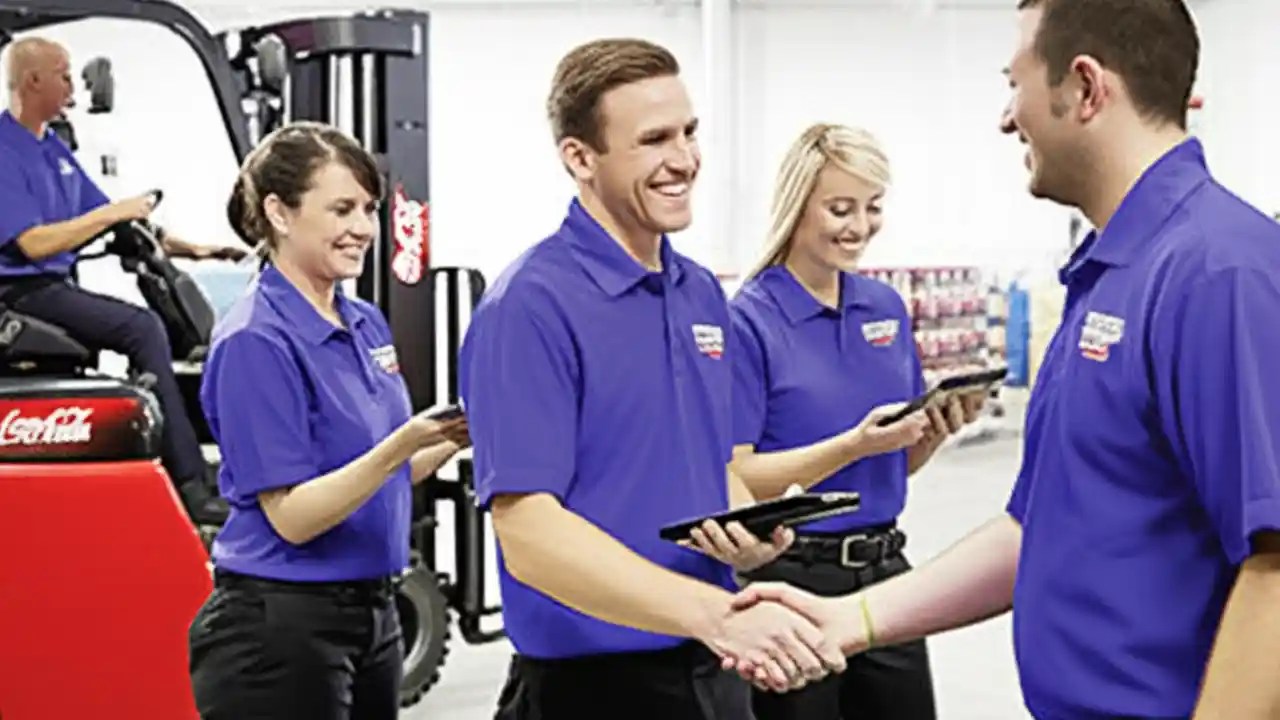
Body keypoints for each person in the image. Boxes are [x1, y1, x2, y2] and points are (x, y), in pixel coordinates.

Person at [725, 1, 1280, 718]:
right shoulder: (1110, 275)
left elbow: (1273, 565)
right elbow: (1038, 528)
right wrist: (848, 620)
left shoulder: (1220, 272)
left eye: (1013, 82)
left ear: (1084, 88)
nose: (1005, 117)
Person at [458, 38, 845, 719]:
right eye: (654, 140)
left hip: (710, 664)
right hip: (592, 690)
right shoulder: (530, 304)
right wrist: (715, 615)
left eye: (690, 132)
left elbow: (709, 463)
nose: (685, 160)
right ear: (580, 158)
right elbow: (528, 533)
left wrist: (747, 539)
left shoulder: (699, 294)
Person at [186, 121, 471, 719]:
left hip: (373, 612)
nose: (365, 228)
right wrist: (400, 445)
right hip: (282, 627)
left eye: (368, 209)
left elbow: (389, 475)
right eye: (342, 208)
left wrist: (459, 433)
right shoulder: (255, 341)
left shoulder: (363, 320)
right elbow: (292, 517)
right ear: (280, 213)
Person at [723, 122, 985, 720]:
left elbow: (899, 463)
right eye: (841, 208)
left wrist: (936, 429)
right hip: (792, 580)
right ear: (796, 206)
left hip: (887, 576)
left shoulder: (885, 308)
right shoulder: (749, 321)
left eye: (872, 207)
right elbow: (741, 478)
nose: (860, 226)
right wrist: (852, 445)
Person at [0, 37, 245, 524]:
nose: (73, 86)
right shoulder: (5, 150)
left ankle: (178, 446)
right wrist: (115, 212)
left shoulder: (53, 150)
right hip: (20, 291)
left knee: (155, 328)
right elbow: (32, 244)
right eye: (63, 75)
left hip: (52, 288)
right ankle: (191, 484)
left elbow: (110, 220)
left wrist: (196, 248)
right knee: (141, 328)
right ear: (33, 81)